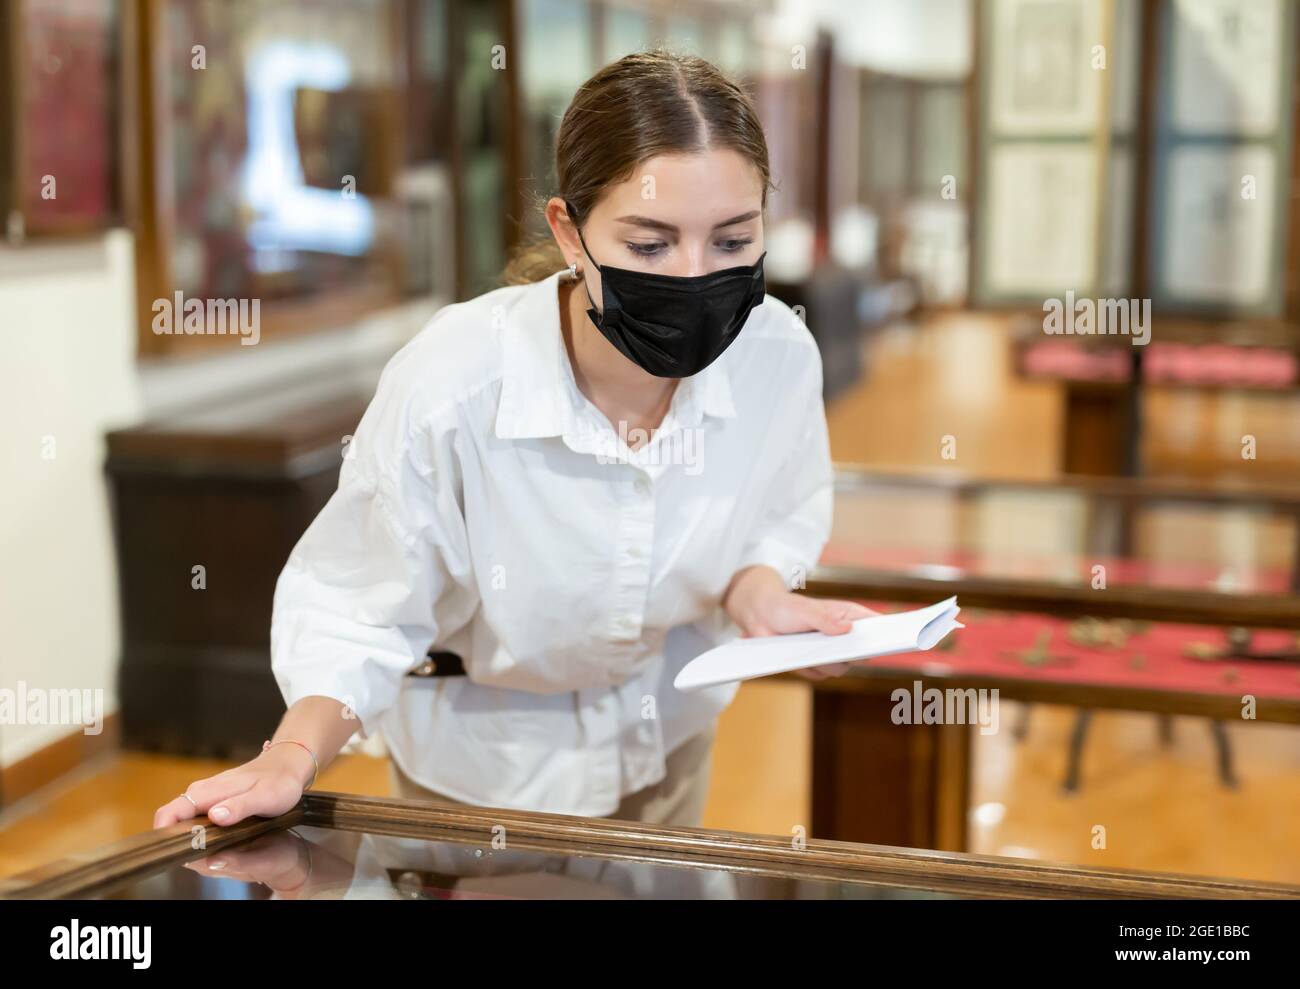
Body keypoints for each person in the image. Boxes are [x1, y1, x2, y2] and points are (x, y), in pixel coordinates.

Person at [153, 49, 871, 833]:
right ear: (569, 232)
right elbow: (359, 605)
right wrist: (290, 755)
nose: (694, 278)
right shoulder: (455, 382)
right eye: (650, 246)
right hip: (482, 781)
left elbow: (775, 511)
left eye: (733, 242)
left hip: (665, 744)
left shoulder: (776, 354)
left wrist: (760, 594)